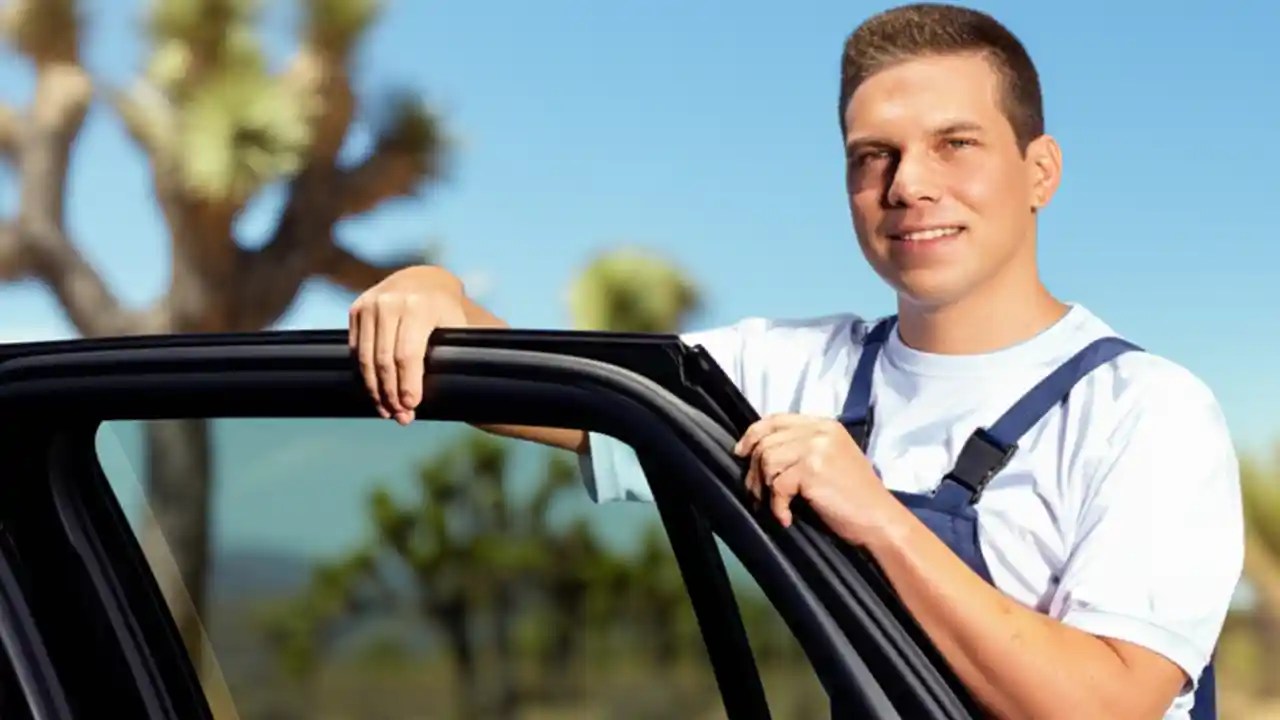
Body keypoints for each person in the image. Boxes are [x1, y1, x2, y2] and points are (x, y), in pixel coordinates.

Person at [346, 3, 1243, 718]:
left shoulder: (1145, 412)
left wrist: (879, 519)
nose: (909, 185)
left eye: (954, 144)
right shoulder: (797, 371)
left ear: (1040, 170)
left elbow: (1107, 705)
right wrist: (436, 297)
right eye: (873, 157)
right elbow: (559, 396)